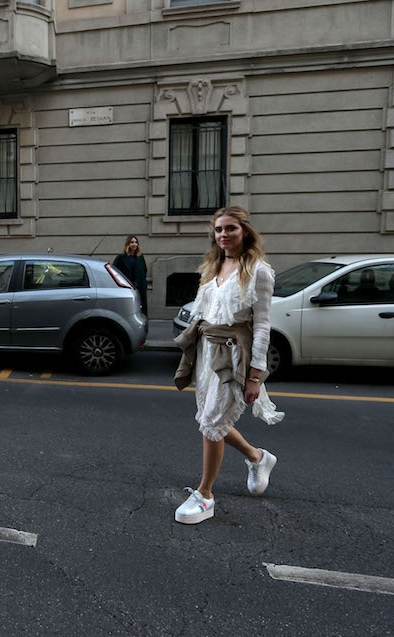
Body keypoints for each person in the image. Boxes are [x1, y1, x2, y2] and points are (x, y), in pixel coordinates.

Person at [172, 206, 284, 525]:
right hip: (207, 355)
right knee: (211, 419)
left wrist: (255, 376)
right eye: (219, 229)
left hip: (234, 357)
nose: (224, 234)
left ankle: (205, 495)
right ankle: (257, 457)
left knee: (211, 421)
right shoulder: (213, 265)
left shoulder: (259, 272)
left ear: (245, 231)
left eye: (231, 228)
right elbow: (204, 311)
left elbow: (262, 326)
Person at [112, 235, 148, 316]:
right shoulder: (121, 258)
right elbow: (114, 272)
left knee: (140, 308)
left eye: (136, 242)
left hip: (140, 288)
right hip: (126, 288)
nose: (134, 244)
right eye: (132, 242)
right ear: (128, 244)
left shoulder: (140, 257)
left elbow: (144, 270)